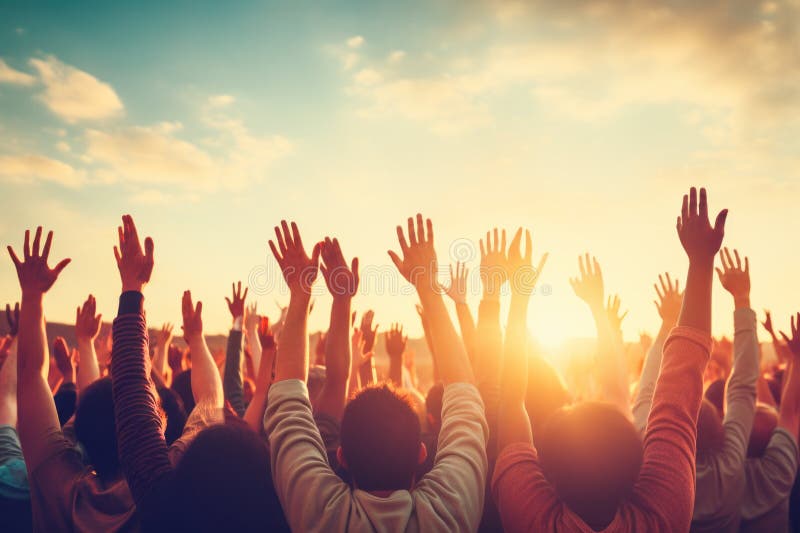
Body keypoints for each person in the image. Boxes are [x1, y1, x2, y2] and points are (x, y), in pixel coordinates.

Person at [493, 187, 726, 531]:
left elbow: (511, 400)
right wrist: (702, 262)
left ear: (550, 479)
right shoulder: (660, 516)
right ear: (638, 469)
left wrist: (519, 297)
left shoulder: (530, 517)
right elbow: (678, 389)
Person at [266, 216, 488, 531]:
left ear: (341, 458)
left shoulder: (322, 517)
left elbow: (288, 402)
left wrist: (301, 292)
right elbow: (465, 396)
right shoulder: (448, 513)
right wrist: (427, 287)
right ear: (421, 453)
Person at [108, 215, 287, 532]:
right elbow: (212, 401)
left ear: (183, 469)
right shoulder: (295, 517)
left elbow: (133, 393)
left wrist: (132, 289)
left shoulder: (163, 509)